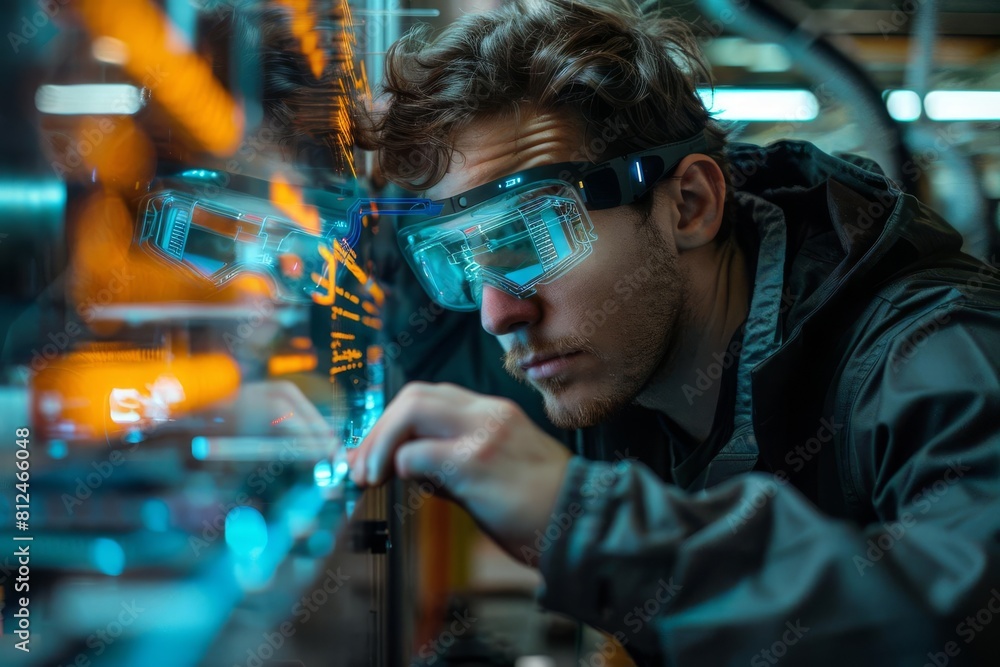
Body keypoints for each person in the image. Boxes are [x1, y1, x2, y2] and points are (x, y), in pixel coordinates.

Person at [348, 0, 1000, 664]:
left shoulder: (936, 352)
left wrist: (594, 525)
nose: (497, 313)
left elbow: (961, 621)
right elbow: (408, 359)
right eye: (461, 260)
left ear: (690, 204)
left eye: (530, 236)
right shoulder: (598, 359)